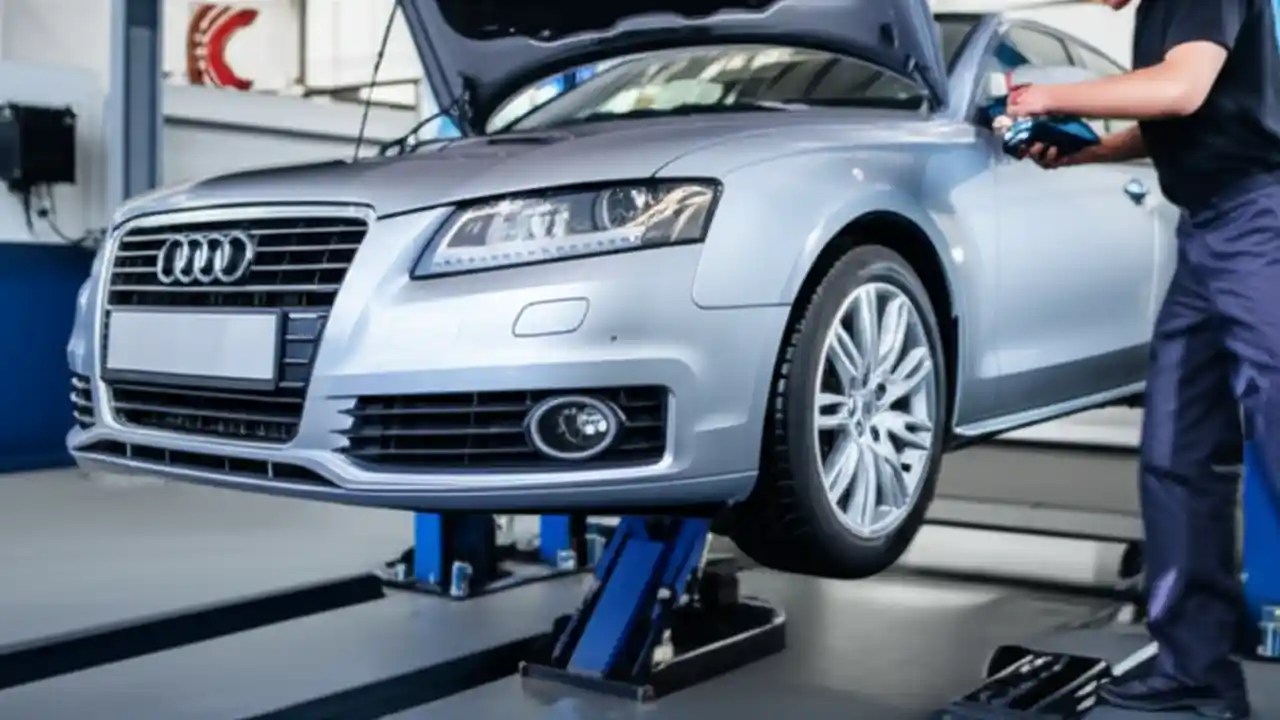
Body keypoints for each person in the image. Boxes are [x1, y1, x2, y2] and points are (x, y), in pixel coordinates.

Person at [1006, 0, 1280, 718]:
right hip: (1208, 229)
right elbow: (1182, 117)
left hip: (1261, 226)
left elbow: (1179, 88)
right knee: (1177, 452)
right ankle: (1196, 673)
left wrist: (1048, 92)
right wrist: (1088, 148)